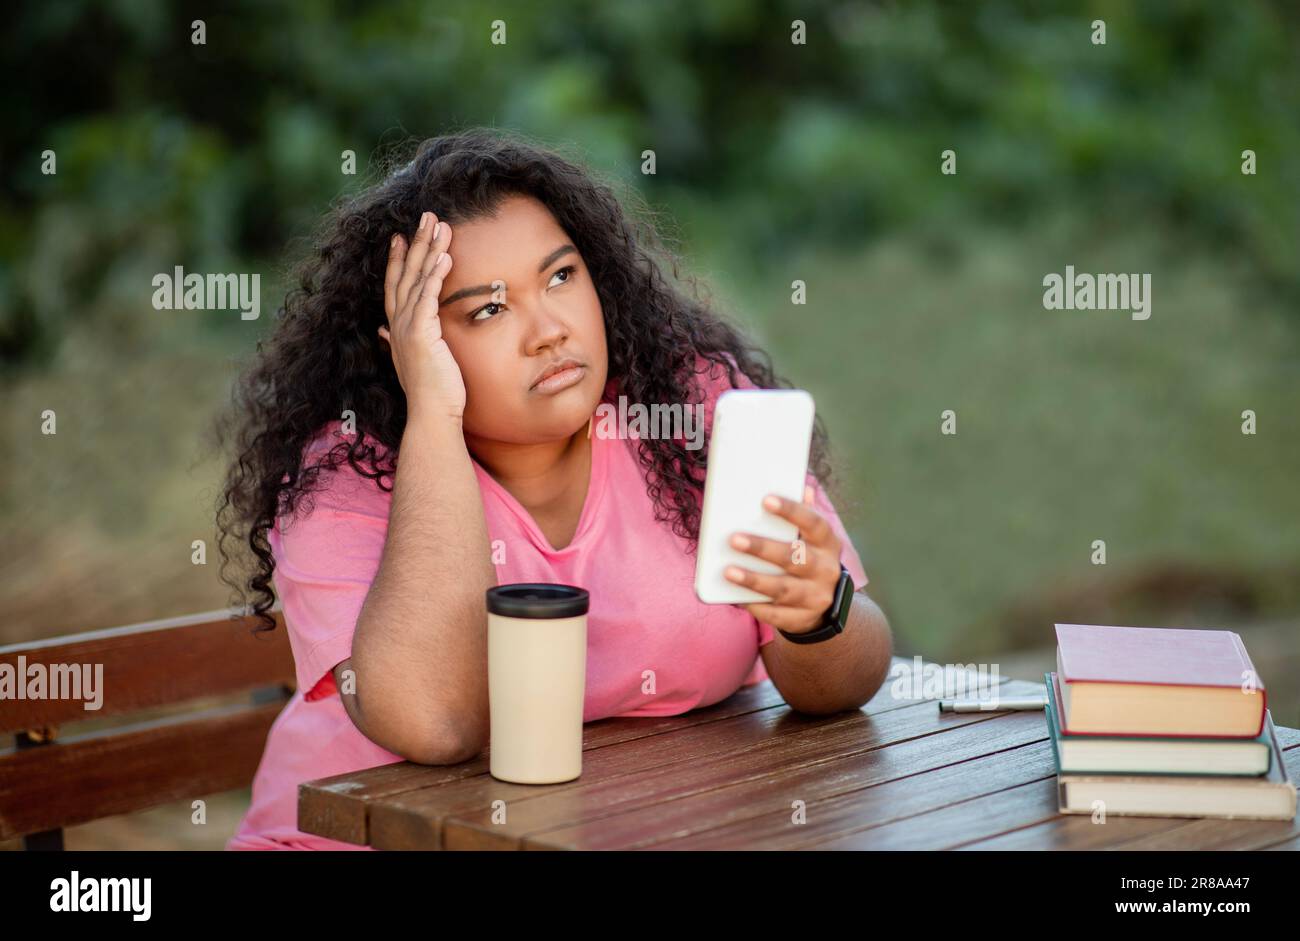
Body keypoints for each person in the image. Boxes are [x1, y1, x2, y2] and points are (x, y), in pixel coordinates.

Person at [214, 128, 892, 850]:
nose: (547, 331)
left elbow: (847, 677)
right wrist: (435, 417)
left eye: (561, 277)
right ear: (411, 348)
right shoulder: (347, 480)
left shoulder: (690, 412)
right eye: (489, 310)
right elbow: (439, 724)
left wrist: (816, 615)